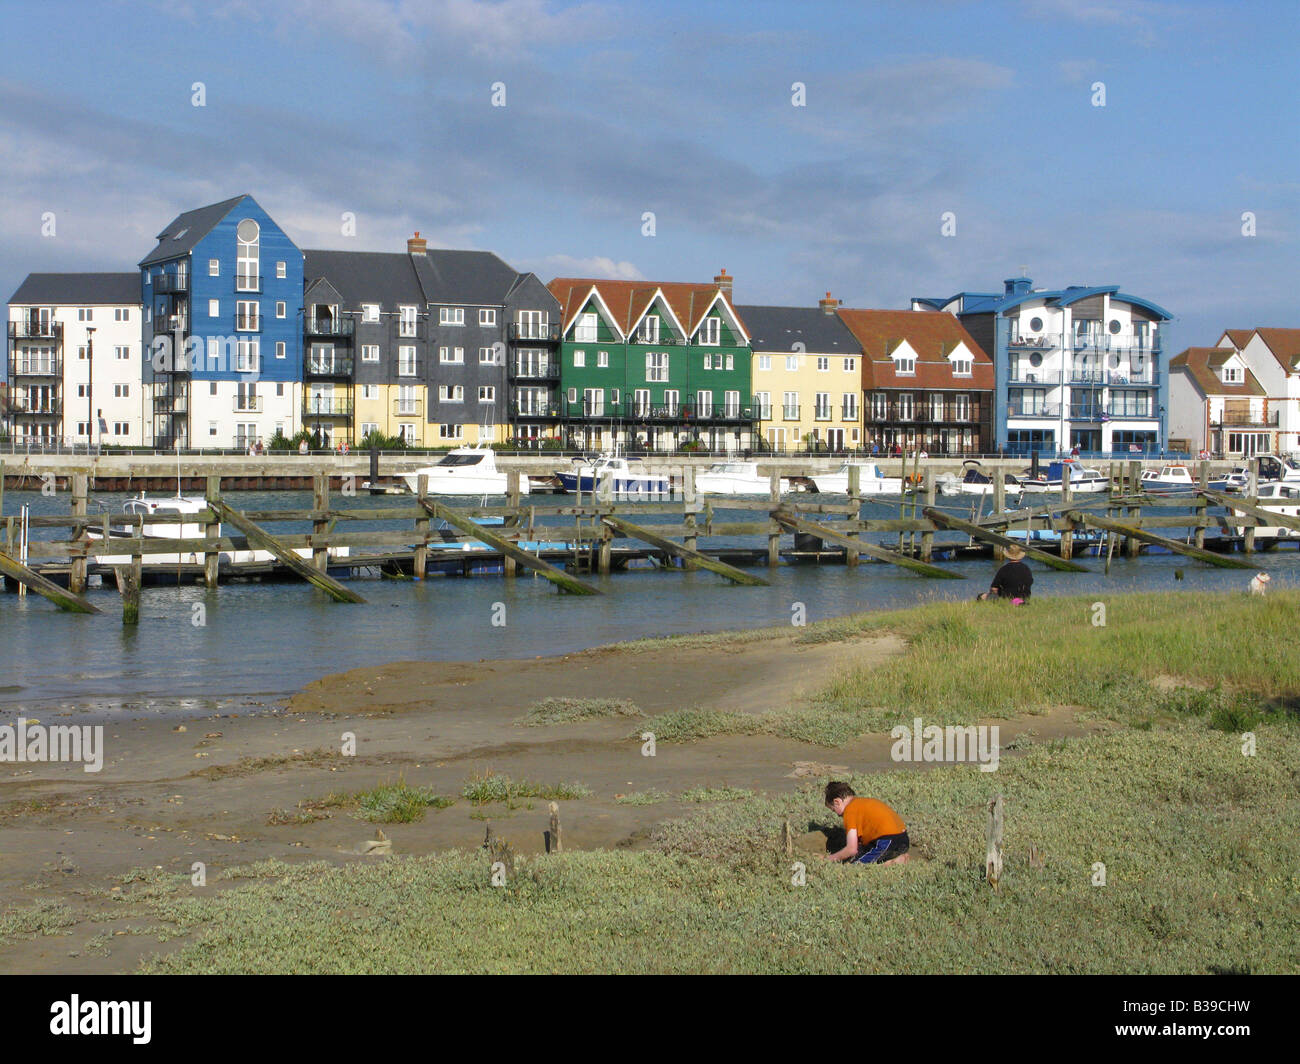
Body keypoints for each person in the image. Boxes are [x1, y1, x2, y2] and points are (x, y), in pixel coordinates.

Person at [823, 781, 910, 865]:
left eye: (834, 810)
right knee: (865, 853)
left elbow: (852, 849)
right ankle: (895, 857)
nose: (837, 815)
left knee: (855, 867)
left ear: (837, 802)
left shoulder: (849, 810)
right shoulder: (863, 803)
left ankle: (891, 863)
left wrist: (829, 858)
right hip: (904, 839)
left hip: (886, 841)